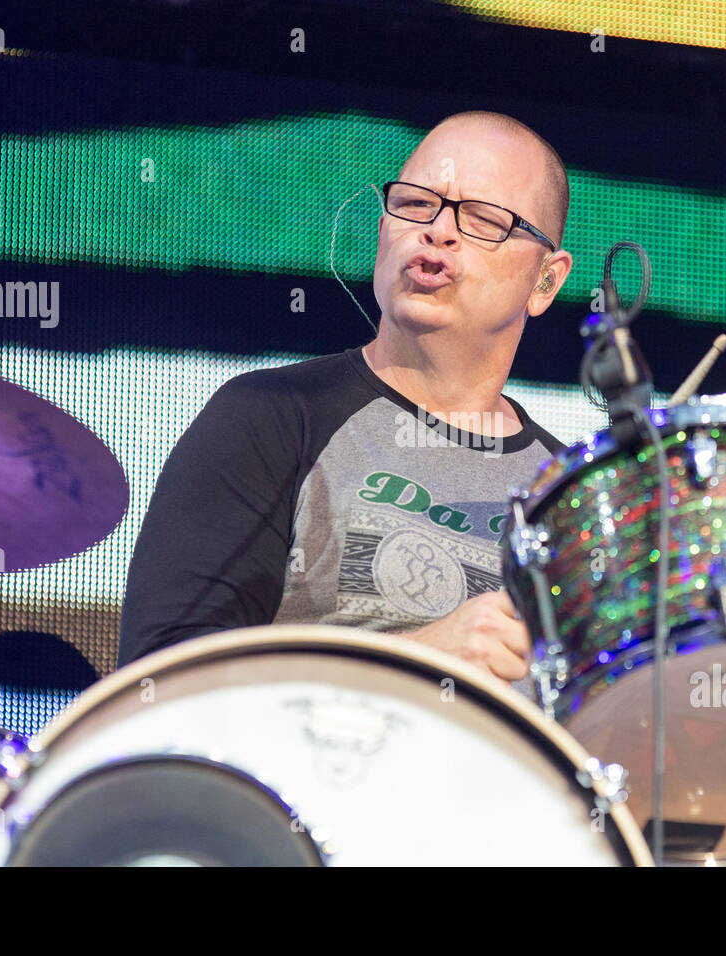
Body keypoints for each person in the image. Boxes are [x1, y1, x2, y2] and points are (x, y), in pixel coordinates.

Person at [118, 111, 574, 686]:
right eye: (414, 204)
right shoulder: (269, 416)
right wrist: (418, 662)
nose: (438, 230)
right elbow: (156, 681)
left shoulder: (568, 500)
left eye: (483, 219)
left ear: (546, 282)